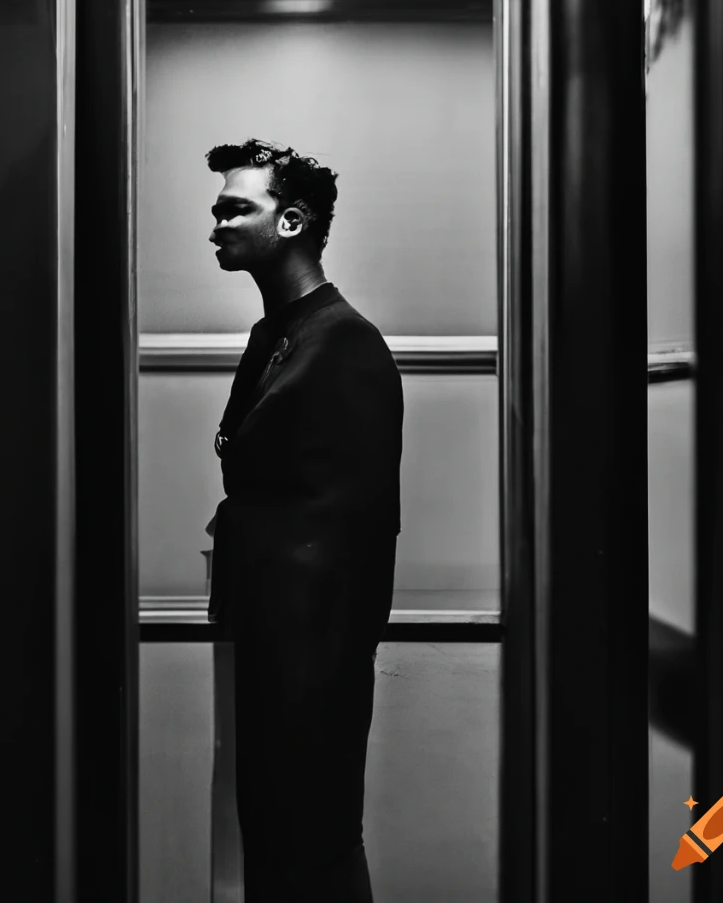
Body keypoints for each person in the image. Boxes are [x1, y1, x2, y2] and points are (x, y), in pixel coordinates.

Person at [204, 139, 404, 901]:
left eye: (235, 207)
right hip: (279, 649)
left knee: (307, 848)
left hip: (308, 666)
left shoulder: (341, 343)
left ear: (290, 221)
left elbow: (351, 536)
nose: (216, 222)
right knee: (282, 848)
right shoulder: (283, 335)